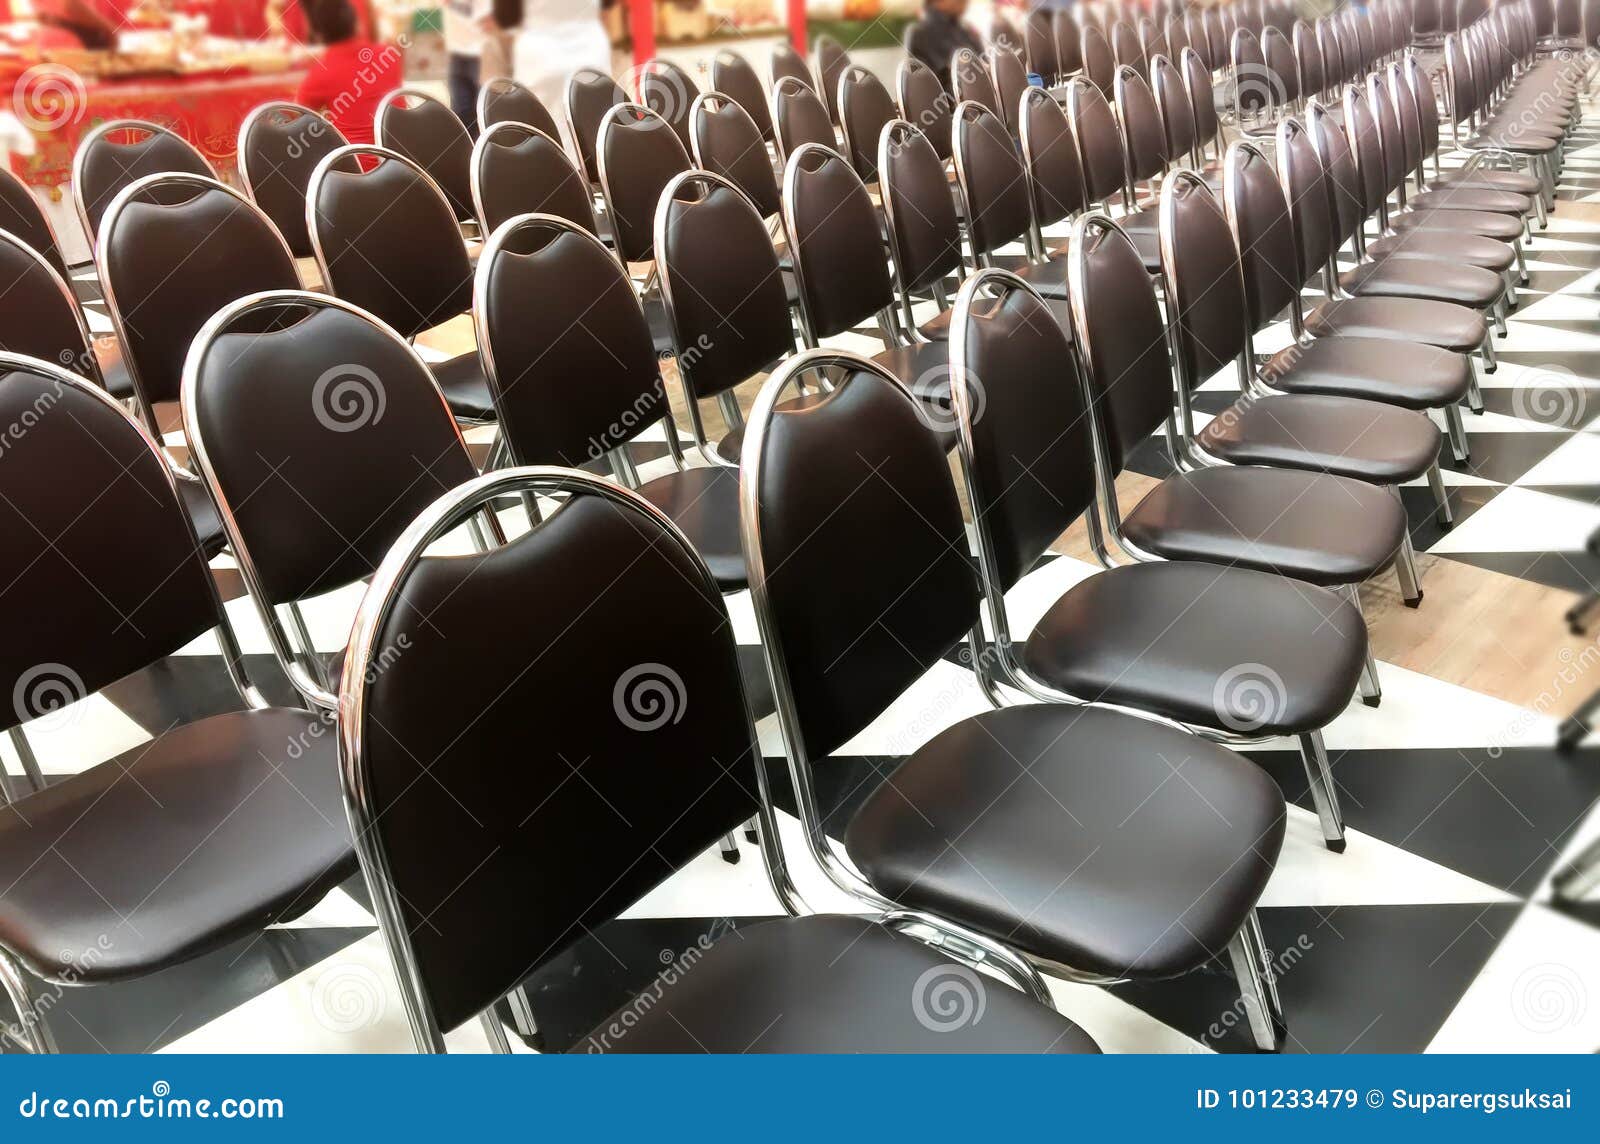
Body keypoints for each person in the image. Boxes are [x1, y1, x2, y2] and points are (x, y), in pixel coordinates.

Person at [294, 0, 401, 146]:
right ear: (357, 25)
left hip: (355, 163)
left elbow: (299, 115)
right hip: (403, 159)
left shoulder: (320, 74)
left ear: (318, 33)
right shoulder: (388, 56)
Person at [905, 0, 985, 89]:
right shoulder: (921, 33)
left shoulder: (961, 28)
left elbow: (982, 59)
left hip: (974, 91)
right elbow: (949, 77)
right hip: (951, 97)